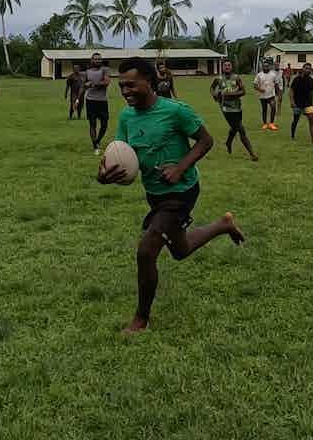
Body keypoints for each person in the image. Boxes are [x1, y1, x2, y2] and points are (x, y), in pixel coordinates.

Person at [98, 57, 246, 335]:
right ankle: (223, 224)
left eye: (132, 85)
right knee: (180, 250)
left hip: (181, 191)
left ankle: (141, 319)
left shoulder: (176, 111)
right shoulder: (127, 117)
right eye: (121, 87)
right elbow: (120, 153)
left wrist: (180, 167)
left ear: (150, 81)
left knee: (146, 251)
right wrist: (104, 174)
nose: (126, 91)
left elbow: (206, 141)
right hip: (155, 194)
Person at [210, 60, 257, 161]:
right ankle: (252, 154)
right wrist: (215, 95)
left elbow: (243, 91)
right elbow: (212, 88)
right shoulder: (218, 79)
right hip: (226, 108)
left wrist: (231, 95)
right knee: (240, 129)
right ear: (222, 67)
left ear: (232, 67)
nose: (227, 67)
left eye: (229, 65)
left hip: (237, 107)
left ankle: (228, 142)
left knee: (235, 127)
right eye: (225, 65)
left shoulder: (236, 78)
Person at [83, 53, 112, 154]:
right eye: (95, 59)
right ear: (91, 60)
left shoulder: (104, 70)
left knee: (104, 124)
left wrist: (93, 84)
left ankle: (98, 140)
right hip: (90, 101)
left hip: (102, 101)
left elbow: (106, 82)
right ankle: (95, 146)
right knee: (92, 124)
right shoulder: (87, 72)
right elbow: (84, 85)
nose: (98, 61)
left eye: (99, 59)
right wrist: (86, 85)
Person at [289, 62, 313, 142]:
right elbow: (291, 91)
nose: (308, 70)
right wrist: (292, 102)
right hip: (298, 103)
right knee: (295, 120)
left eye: (309, 68)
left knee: (311, 118)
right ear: (303, 69)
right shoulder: (297, 79)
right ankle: (292, 135)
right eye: (306, 68)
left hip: (308, 104)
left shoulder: (310, 80)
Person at [253, 60, 279, 131]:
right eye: (264, 66)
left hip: (271, 95)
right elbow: (255, 85)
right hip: (263, 96)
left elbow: (276, 84)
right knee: (264, 109)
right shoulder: (259, 75)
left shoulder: (273, 74)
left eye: (267, 66)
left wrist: (278, 93)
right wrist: (260, 89)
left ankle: (271, 123)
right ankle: (265, 124)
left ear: (269, 67)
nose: (266, 67)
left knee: (273, 107)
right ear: (262, 67)